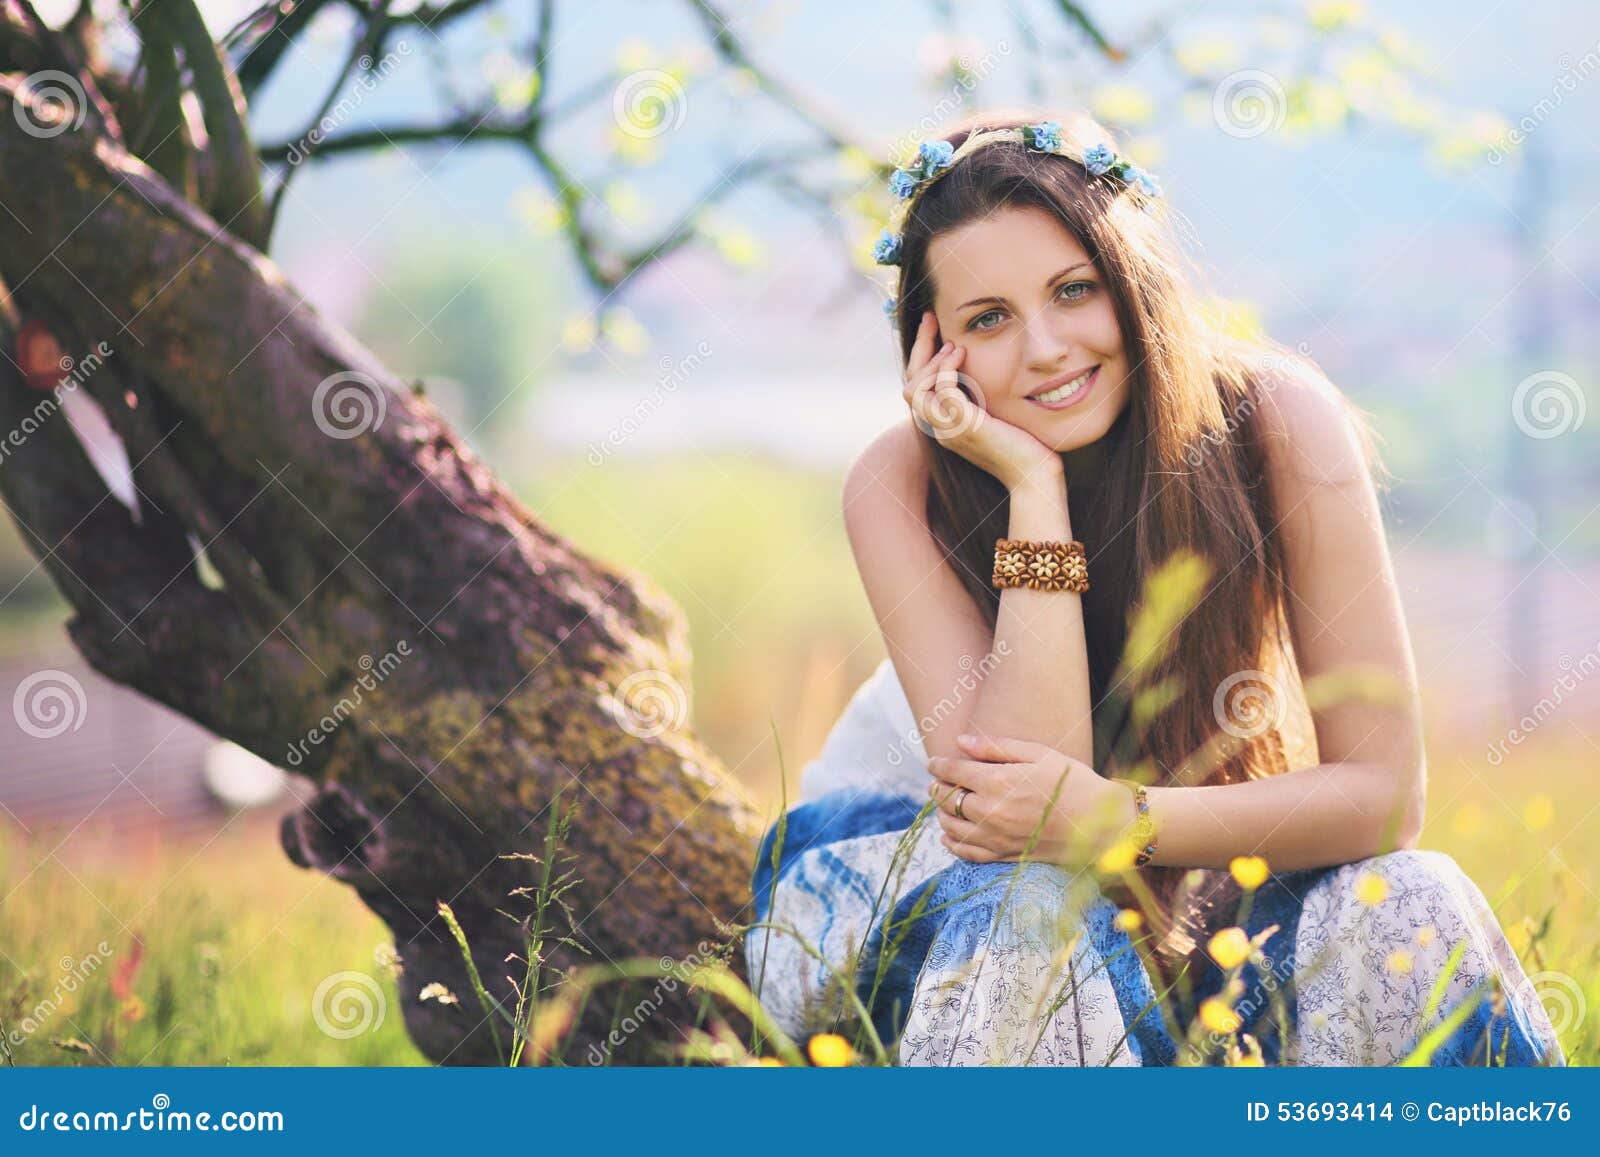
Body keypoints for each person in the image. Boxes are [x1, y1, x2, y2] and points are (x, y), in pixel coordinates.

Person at [742, 109, 1565, 1067]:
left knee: (1412, 899)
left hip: (1173, 879)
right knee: (1035, 911)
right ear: (936, 353)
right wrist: (1032, 489)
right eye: (989, 319)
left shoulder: (1275, 423)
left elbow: (1384, 799)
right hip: (919, 881)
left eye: (1074, 289)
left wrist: (1120, 820)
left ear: (1134, 282)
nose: (1045, 347)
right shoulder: (902, 483)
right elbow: (1027, 822)